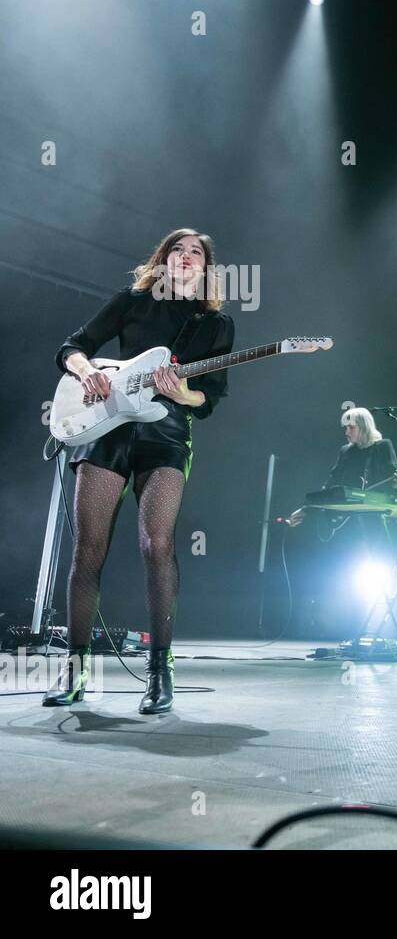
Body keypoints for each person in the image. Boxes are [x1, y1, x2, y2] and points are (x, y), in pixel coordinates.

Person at [46, 228, 235, 713]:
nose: (187, 256)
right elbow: (73, 345)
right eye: (179, 249)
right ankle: (75, 668)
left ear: (206, 268)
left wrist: (180, 393)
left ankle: (159, 670)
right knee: (88, 549)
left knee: (157, 543)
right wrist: (89, 373)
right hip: (107, 428)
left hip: (166, 434)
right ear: (164, 259)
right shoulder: (132, 300)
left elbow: (208, 400)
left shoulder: (216, 326)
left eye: (197, 252)